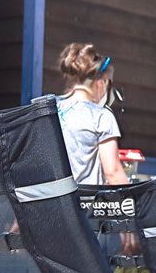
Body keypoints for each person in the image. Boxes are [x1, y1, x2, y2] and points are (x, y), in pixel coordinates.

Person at [53, 42, 129, 184]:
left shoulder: (49, 109)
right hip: (84, 197)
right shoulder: (101, 117)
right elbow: (113, 172)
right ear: (100, 82)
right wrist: (132, 196)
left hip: (50, 196)